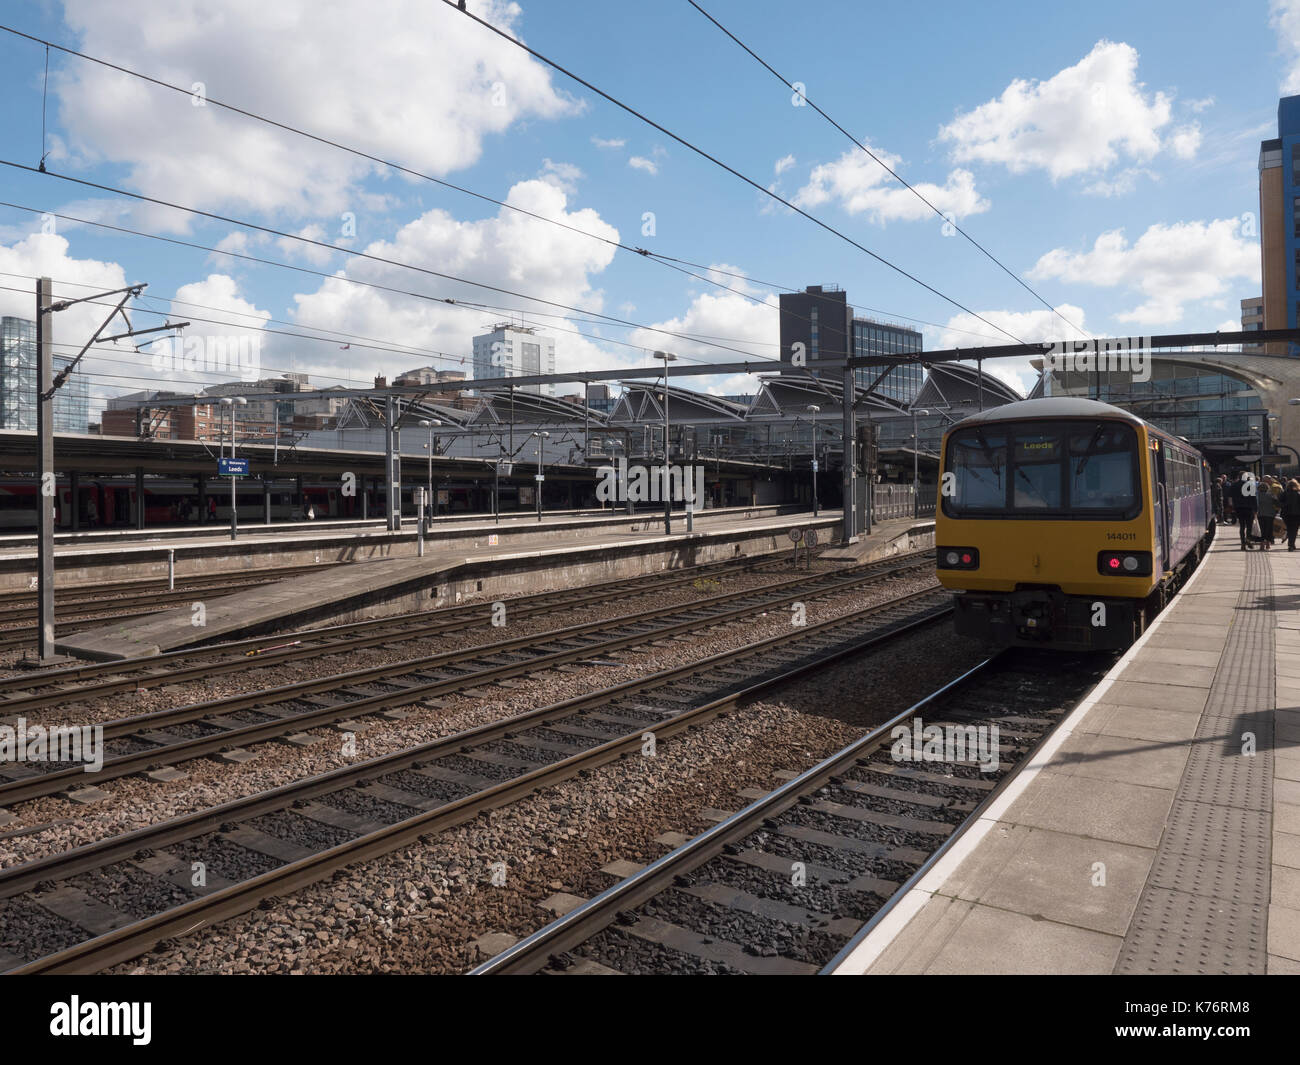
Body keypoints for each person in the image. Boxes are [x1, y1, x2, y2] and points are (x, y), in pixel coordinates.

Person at [1232, 471, 1258, 550]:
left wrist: (1233, 507)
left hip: (1239, 508)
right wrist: (1256, 509)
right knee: (1249, 526)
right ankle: (1248, 539)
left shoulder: (1234, 485)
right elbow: (1254, 498)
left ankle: (1243, 544)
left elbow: (1230, 497)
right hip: (1249, 508)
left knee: (1242, 526)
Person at [1258, 478, 1279, 550]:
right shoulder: (1271, 495)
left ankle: (1261, 544)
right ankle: (1268, 544)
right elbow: (1277, 504)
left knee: (1261, 529)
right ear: (1267, 488)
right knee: (1269, 529)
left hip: (1260, 514)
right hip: (1270, 514)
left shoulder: (1257, 496)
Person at [1283, 479, 1300, 551]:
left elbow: (1279, 501)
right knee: (1294, 530)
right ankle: (1291, 544)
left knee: (1289, 529)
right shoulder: (1298, 494)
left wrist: (1284, 506)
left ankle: (1291, 544)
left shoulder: (1284, 493)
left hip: (1286, 514)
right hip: (1297, 514)